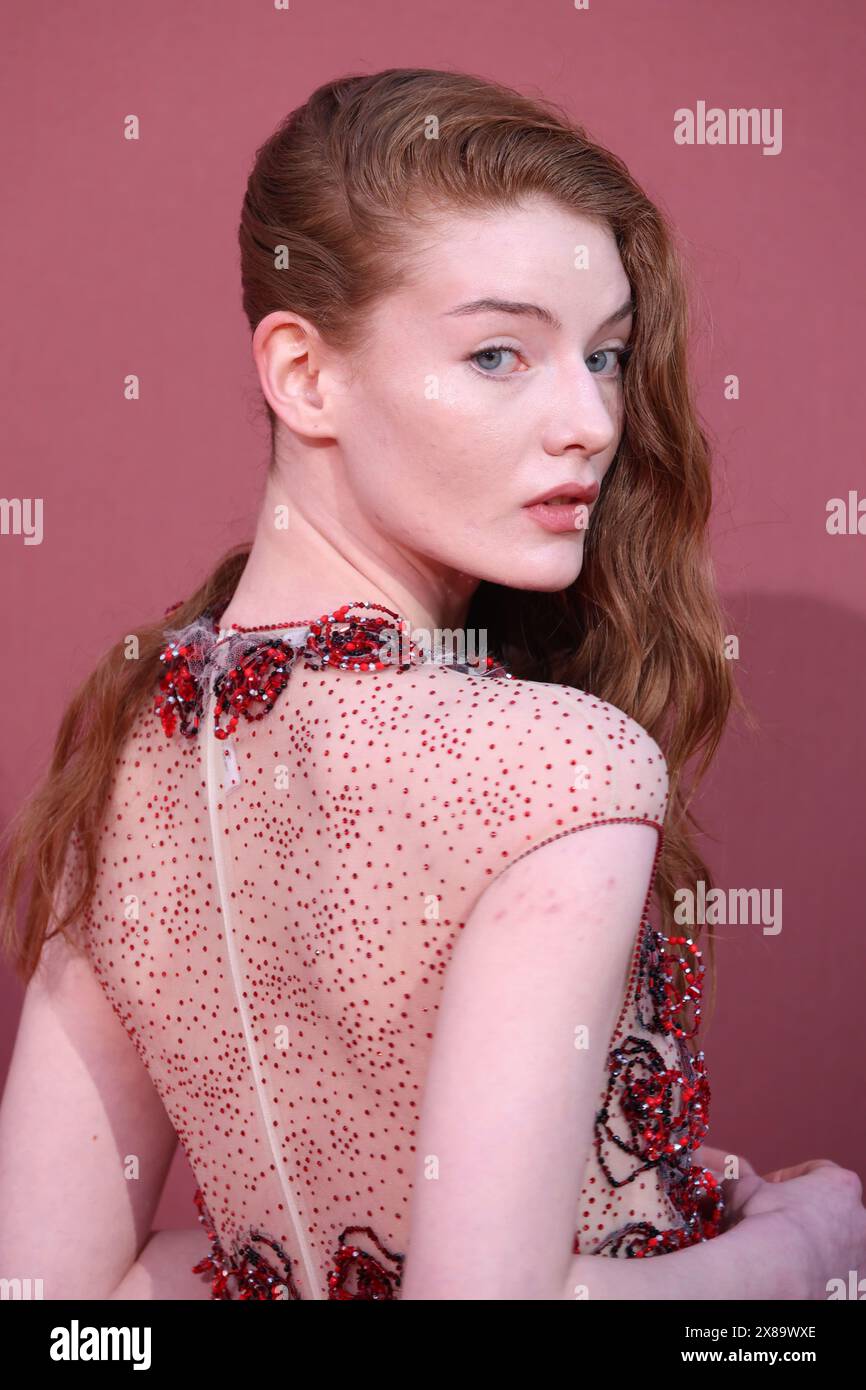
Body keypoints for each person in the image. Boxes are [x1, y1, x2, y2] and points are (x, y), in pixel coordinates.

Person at [0, 67, 863, 1302]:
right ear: (303, 375)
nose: (590, 423)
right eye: (499, 353)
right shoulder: (557, 761)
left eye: (607, 355)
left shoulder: (129, 747)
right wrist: (800, 1255)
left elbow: (57, 1314)